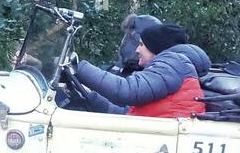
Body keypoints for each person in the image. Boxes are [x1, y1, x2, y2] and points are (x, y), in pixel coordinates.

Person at [68, 23, 208, 118]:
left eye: (141, 44)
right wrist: (90, 97)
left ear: (155, 47)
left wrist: (79, 68)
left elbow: (126, 91)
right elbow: (129, 114)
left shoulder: (174, 64)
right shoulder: (174, 66)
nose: (137, 49)